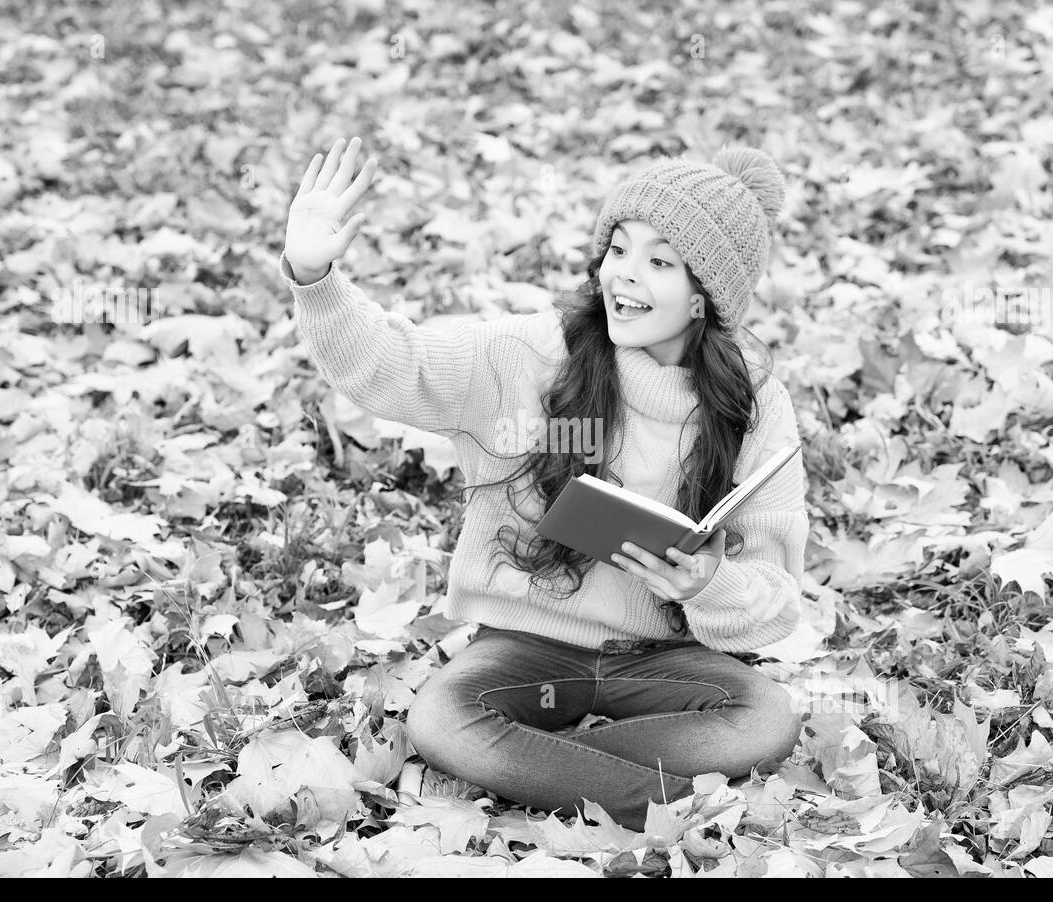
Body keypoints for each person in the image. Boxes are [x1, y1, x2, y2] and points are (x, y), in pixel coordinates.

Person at [280, 136, 808, 832]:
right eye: (618, 250)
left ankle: (537, 765)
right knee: (442, 716)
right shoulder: (528, 354)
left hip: (666, 659)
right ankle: (663, 803)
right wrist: (313, 274)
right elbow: (392, 364)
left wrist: (708, 584)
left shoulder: (755, 405)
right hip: (530, 650)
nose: (625, 277)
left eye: (659, 262)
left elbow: (775, 598)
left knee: (767, 716)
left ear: (708, 294)